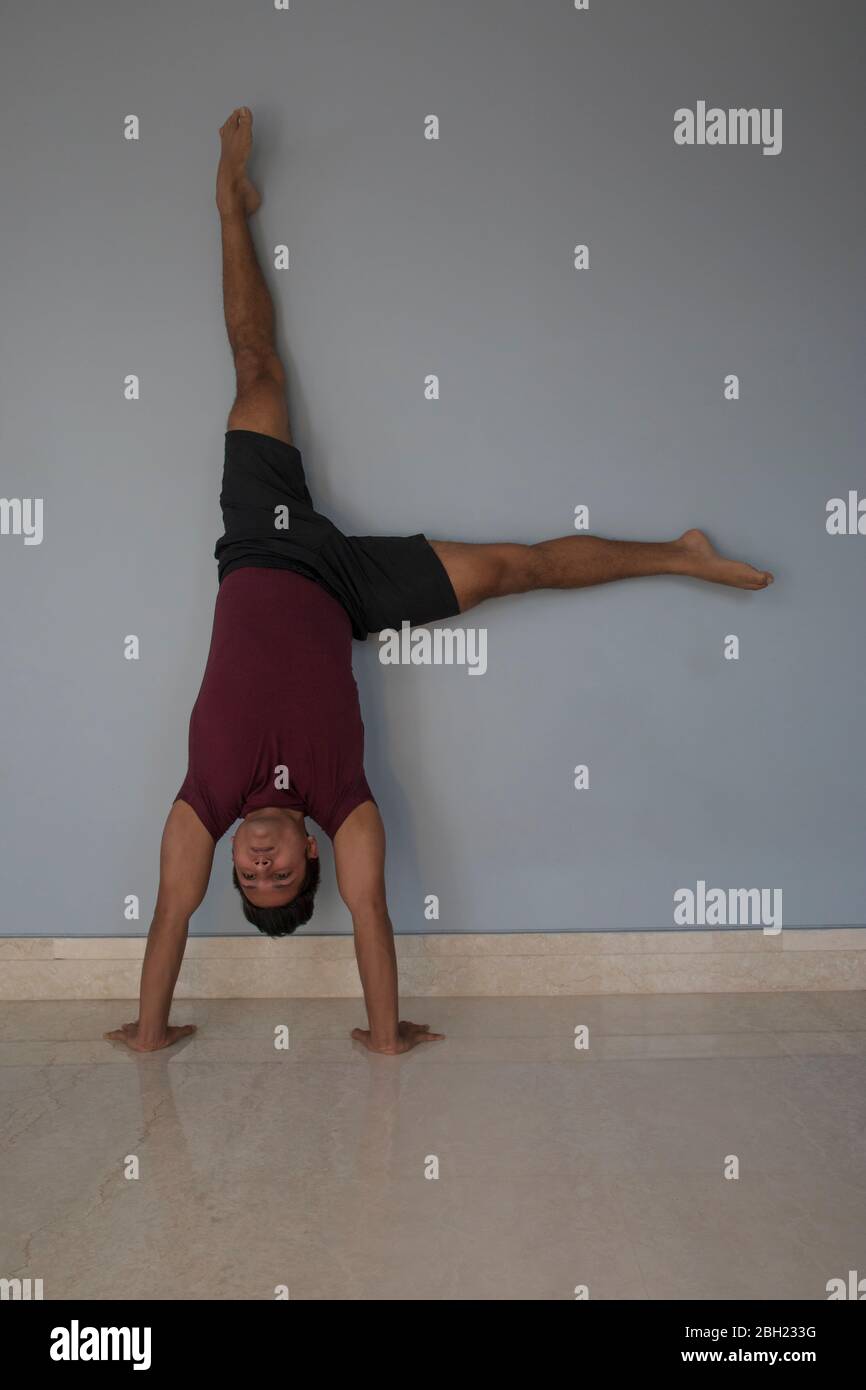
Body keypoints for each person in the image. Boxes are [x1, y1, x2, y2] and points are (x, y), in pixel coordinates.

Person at [105, 108, 773, 1057]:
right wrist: (385, 1038)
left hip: (264, 544)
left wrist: (149, 1033)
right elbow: (371, 914)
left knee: (256, 370)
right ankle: (682, 553)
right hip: (348, 593)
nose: (256, 863)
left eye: (249, 879)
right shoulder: (347, 802)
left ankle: (229, 208)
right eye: (278, 877)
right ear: (310, 859)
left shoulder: (202, 803)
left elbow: (169, 919)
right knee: (514, 570)